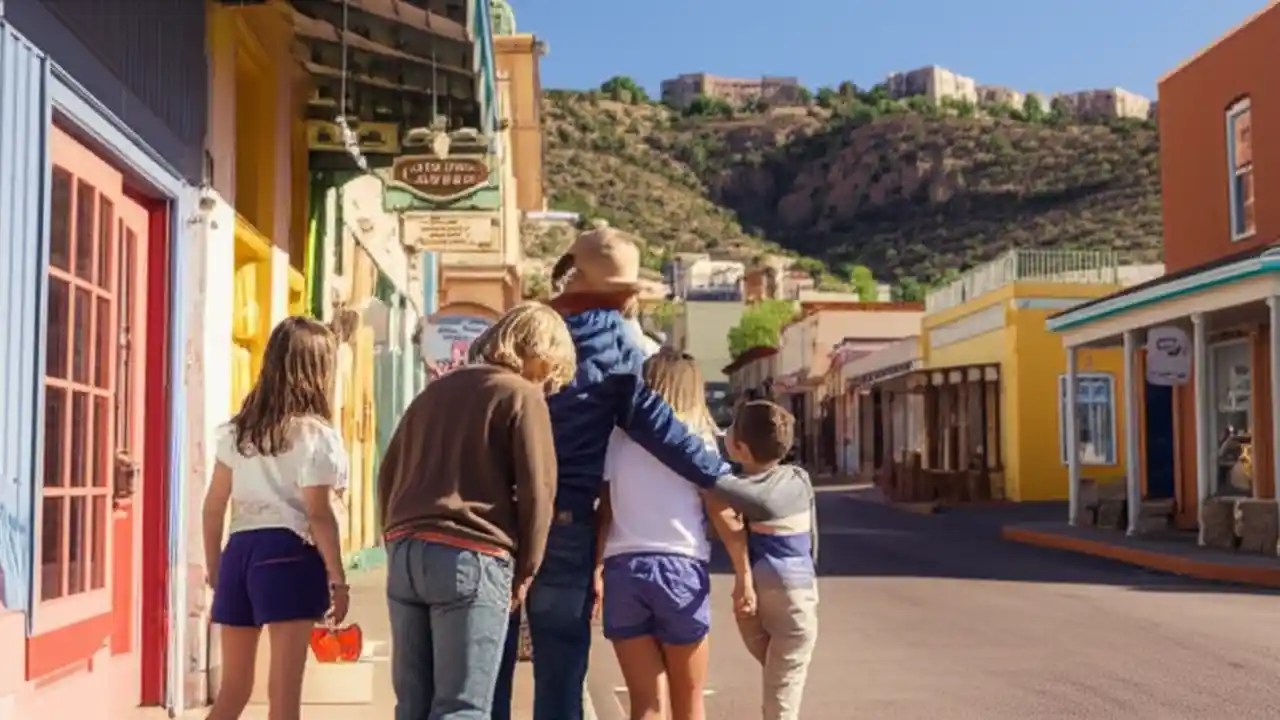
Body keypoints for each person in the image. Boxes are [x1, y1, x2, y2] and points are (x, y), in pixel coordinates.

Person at [493, 223, 735, 720]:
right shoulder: (613, 339)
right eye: (625, 292)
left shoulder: (520, 330)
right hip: (563, 521)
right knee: (559, 665)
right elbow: (658, 427)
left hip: (495, 517)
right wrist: (721, 476)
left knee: (488, 659)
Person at [378, 302, 576, 720]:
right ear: (541, 354)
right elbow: (539, 490)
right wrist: (527, 569)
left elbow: (388, 471)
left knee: (412, 706)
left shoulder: (433, 392)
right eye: (552, 373)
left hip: (406, 551)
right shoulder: (520, 394)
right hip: (472, 554)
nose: (550, 384)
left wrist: (393, 539)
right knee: (463, 707)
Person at [202, 316, 350, 720]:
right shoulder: (315, 436)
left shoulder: (237, 433)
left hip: (239, 554)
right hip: (289, 553)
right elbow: (319, 514)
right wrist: (338, 579)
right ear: (319, 371)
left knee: (233, 690)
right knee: (284, 695)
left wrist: (216, 569)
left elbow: (214, 505)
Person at [593, 350, 754, 720]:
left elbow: (606, 510)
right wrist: (744, 574)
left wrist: (597, 569)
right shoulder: (697, 440)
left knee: (645, 702)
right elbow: (720, 509)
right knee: (689, 700)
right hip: (680, 569)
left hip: (624, 569)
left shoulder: (618, 438)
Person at [712, 400, 820, 720]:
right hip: (798, 595)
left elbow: (711, 478)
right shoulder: (798, 479)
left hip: (763, 591)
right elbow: (813, 543)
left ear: (741, 448)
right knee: (783, 685)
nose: (725, 433)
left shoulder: (741, 490)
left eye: (730, 429)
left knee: (779, 682)